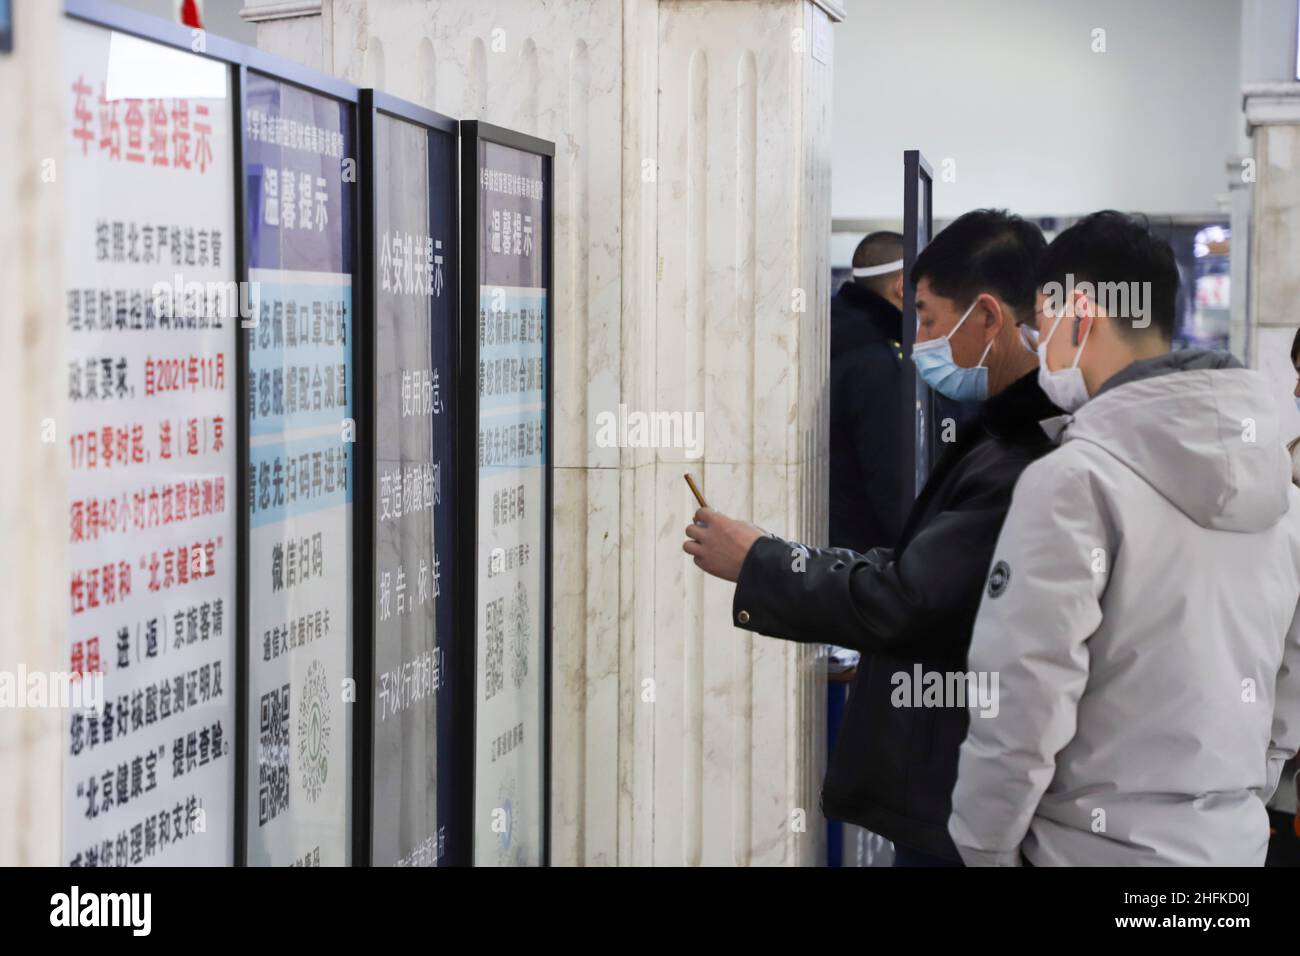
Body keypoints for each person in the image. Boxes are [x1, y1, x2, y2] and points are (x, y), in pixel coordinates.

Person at [682, 209, 1058, 866]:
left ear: (990, 318)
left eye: (931, 320)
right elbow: (918, 563)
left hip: (965, 789)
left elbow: (912, 597)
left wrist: (761, 563)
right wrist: (780, 558)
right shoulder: (1001, 435)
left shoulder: (1021, 457)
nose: (919, 342)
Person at [949, 211, 1300, 866]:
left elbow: (1021, 702)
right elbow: (1290, 678)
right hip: (1232, 853)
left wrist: (983, 847)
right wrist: (1241, 793)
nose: (1038, 348)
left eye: (1043, 326)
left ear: (1081, 317)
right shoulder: (1281, 490)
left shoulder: (1072, 484)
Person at [829, 231, 906, 554]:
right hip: (865, 559)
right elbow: (892, 487)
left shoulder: (833, 330)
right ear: (903, 286)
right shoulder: (878, 359)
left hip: (833, 552)